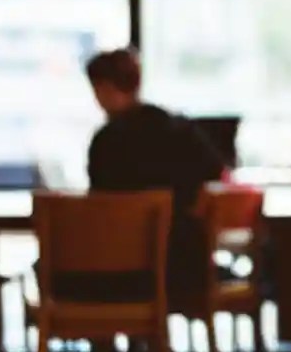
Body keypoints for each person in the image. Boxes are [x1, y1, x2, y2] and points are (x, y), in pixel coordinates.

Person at [54, 47, 225, 304]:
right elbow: (216, 179)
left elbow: (101, 210)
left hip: (122, 276)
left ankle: (103, 343)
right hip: (183, 271)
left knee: (53, 265)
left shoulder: (106, 142)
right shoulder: (183, 131)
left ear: (104, 88)